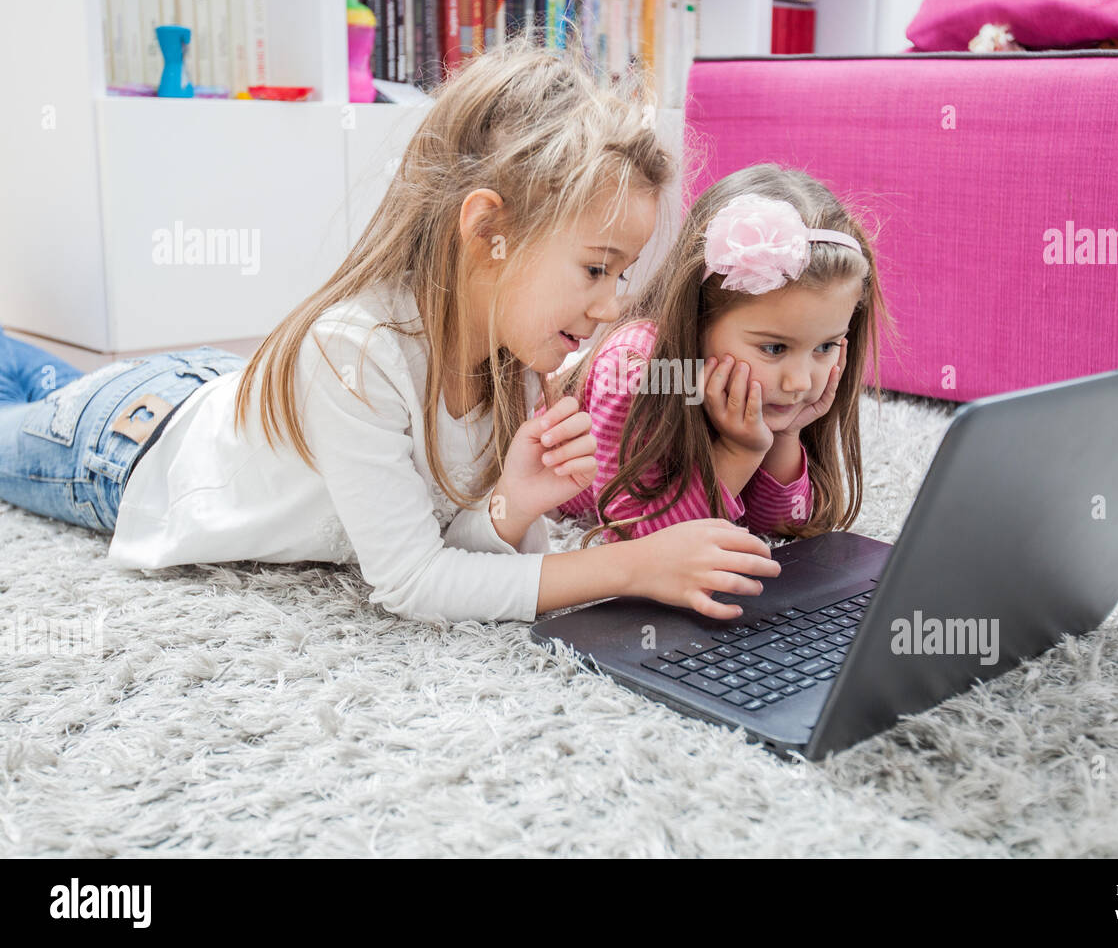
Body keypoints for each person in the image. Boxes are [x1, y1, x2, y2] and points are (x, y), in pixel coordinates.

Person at [0, 38, 781, 624]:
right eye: (595, 269)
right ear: (487, 231)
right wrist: (630, 568)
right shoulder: (355, 350)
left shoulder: (513, 344)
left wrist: (511, 505)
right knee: (31, 405)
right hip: (126, 445)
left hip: (205, 388)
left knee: (41, 378)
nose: (613, 306)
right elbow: (411, 582)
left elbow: (457, 542)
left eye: (622, 275)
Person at [548, 163, 893, 551]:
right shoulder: (635, 368)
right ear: (698, 317)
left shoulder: (773, 392)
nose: (800, 381)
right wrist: (738, 452)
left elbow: (786, 526)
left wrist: (783, 435)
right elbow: (632, 538)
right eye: (774, 348)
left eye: (825, 347)